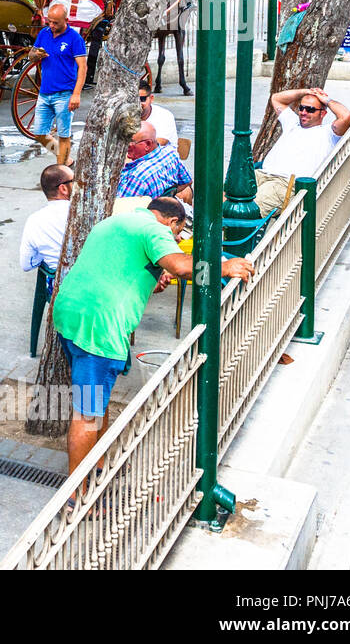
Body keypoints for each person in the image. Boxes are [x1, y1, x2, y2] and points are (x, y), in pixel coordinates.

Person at [52, 197, 254, 481]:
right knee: (87, 412)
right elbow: (182, 266)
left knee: (97, 398)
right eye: (178, 233)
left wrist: (151, 277)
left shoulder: (114, 222)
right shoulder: (155, 230)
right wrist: (223, 268)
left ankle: (99, 465)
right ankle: (75, 495)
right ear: (173, 222)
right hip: (98, 328)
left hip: (68, 315)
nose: (175, 238)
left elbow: (117, 268)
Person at [253, 86, 350, 215]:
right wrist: (305, 92)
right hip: (262, 174)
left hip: (286, 183)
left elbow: (346, 116)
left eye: (310, 109)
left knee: (247, 209)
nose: (304, 112)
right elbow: (276, 98)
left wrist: (326, 100)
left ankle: (231, 233)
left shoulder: (329, 133)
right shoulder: (292, 123)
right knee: (225, 195)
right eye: (301, 108)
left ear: (322, 113)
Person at [29, 3, 88, 166]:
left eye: (56, 22)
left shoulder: (75, 39)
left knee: (64, 135)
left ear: (66, 20)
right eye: (49, 22)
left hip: (64, 94)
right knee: (39, 133)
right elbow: (31, 54)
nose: (52, 26)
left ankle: (62, 171)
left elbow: (83, 67)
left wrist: (76, 94)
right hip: (44, 92)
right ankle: (66, 159)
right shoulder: (44, 33)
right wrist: (35, 55)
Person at [20, 164, 74, 282]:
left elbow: (26, 265)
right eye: (74, 181)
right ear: (63, 189)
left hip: (60, 289)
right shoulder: (85, 213)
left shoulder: (34, 221)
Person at [117, 123, 193, 202]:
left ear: (148, 144)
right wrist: (167, 197)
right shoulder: (170, 154)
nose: (125, 146)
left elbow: (121, 209)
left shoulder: (137, 177)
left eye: (130, 143)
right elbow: (186, 181)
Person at [137, 78, 177, 148]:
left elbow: (160, 142)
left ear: (151, 98)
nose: (137, 104)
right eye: (132, 100)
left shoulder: (164, 116)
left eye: (142, 99)